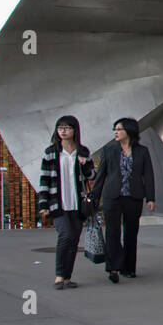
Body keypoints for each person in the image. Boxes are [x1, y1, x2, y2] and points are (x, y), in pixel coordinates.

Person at [89, 118, 155, 283]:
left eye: (119, 129)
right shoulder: (109, 150)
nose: (115, 132)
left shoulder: (142, 151)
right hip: (113, 197)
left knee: (131, 233)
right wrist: (94, 196)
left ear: (129, 131)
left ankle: (129, 268)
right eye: (115, 129)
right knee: (112, 233)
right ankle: (113, 267)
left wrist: (151, 197)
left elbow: (148, 175)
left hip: (134, 197)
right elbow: (101, 175)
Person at [36, 115, 95, 289]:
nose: (63, 131)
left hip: (78, 204)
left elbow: (92, 176)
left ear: (74, 130)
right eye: (60, 127)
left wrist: (85, 164)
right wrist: (43, 205)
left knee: (74, 239)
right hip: (58, 202)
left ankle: (67, 277)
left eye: (67, 127)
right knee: (65, 236)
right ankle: (59, 276)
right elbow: (44, 180)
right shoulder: (51, 152)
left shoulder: (82, 151)